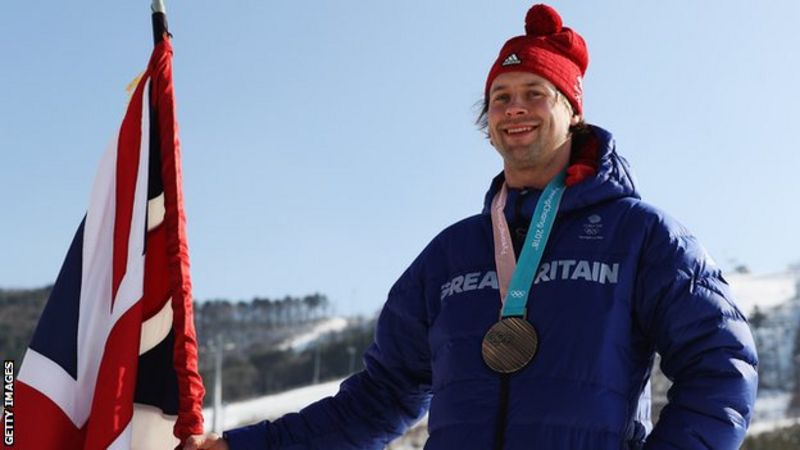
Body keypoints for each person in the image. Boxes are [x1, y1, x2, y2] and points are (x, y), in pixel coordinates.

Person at [186, 4, 758, 449]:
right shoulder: (451, 255)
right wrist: (243, 447)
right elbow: (377, 400)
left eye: (535, 93)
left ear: (573, 112)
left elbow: (722, 370)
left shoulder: (642, 236)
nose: (514, 108)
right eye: (500, 98)